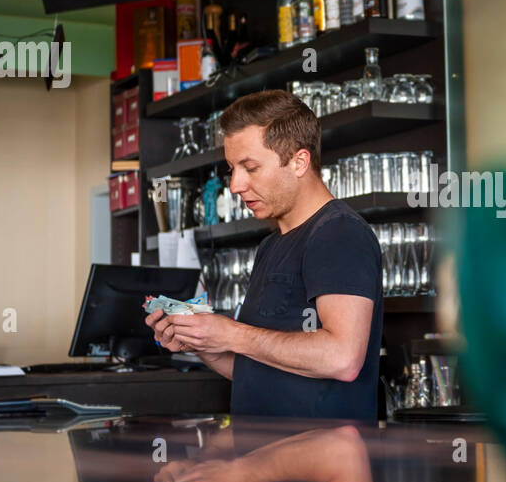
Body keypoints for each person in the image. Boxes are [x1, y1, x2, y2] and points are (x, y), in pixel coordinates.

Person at [146, 89, 382, 420]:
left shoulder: (338, 233)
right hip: (259, 463)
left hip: (321, 465)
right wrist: (201, 343)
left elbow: (342, 358)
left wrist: (231, 333)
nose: (234, 185)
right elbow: (256, 371)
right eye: (232, 168)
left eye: (250, 167)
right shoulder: (271, 246)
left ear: (299, 162)